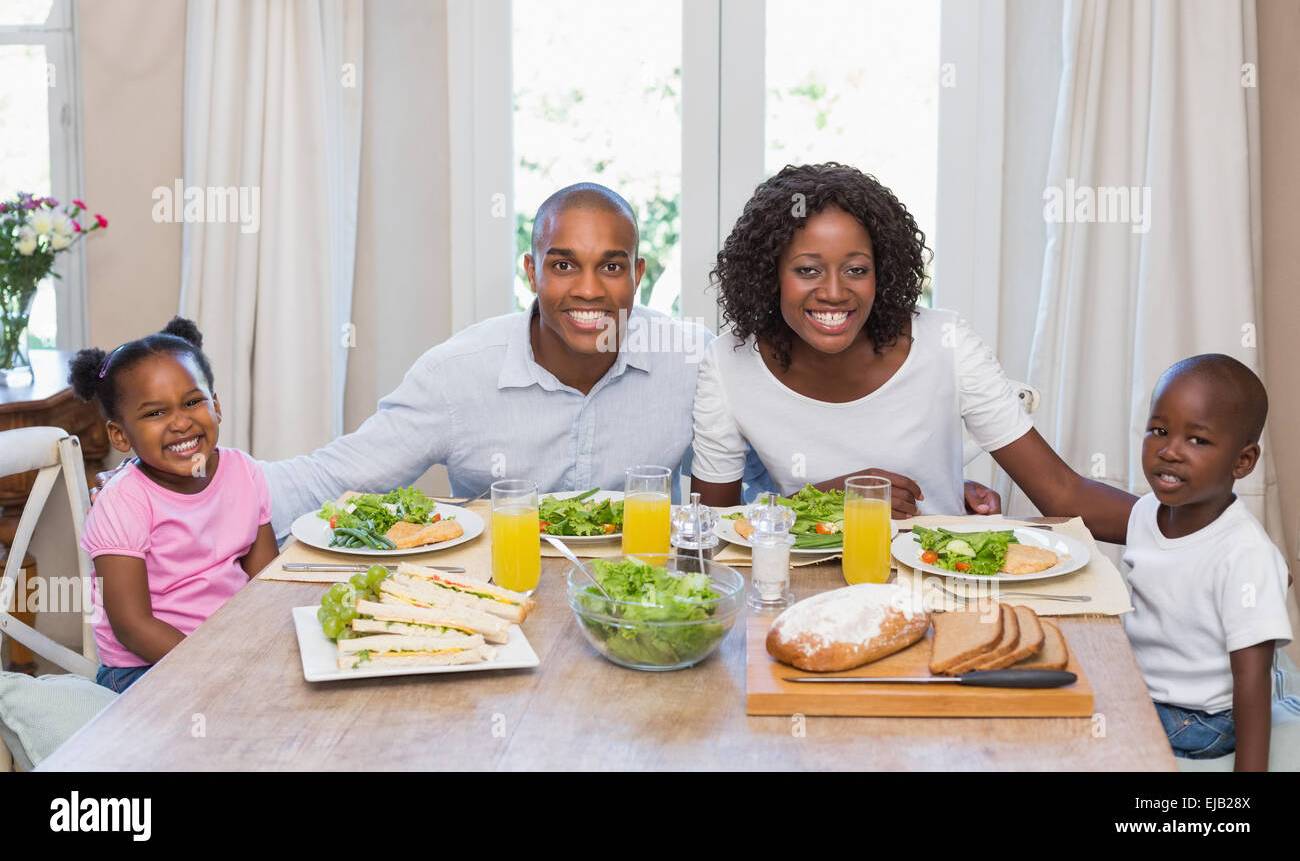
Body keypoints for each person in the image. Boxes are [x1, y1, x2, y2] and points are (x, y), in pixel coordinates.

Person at [258, 182, 735, 537]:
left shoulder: (691, 359)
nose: (588, 289)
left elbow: (749, 481)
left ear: (636, 274)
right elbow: (333, 478)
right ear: (531, 272)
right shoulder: (455, 376)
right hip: (499, 598)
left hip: (643, 600)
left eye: (610, 267)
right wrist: (209, 484)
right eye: (563, 265)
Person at [689, 162, 1136, 540]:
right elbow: (710, 530)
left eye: (856, 269)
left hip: (940, 581)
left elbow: (1061, 492)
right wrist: (822, 504)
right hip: (797, 587)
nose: (833, 292)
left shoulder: (945, 343)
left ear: (881, 273)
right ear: (770, 276)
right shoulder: (731, 364)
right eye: (807, 270)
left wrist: (1189, 527)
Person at [69, 318, 278, 692]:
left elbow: (264, 585)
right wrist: (216, 668)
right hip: (145, 666)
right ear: (120, 434)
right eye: (154, 413)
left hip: (230, 649)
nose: (181, 423)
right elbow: (132, 626)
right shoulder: (123, 502)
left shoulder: (244, 471)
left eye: (193, 402)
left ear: (215, 405)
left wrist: (257, 652)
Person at [1124, 355, 1294, 769]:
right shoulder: (1146, 512)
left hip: (1203, 721)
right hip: (1150, 686)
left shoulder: (1243, 554)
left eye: (1197, 440)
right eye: (1159, 431)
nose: (1169, 451)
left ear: (1243, 461)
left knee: (1088, 729)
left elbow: (1252, 684)